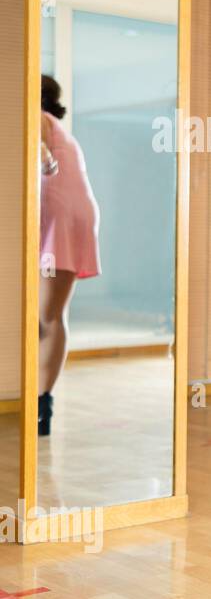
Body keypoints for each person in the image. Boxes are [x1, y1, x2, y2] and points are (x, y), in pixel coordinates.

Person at [36, 76, 101, 437]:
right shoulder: (59, 127)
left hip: (59, 217)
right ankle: (42, 401)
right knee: (50, 316)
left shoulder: (39, 118)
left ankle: (41, 403)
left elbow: (42, 152)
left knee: (46, 318)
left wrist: (44, 160)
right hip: (72, 217)